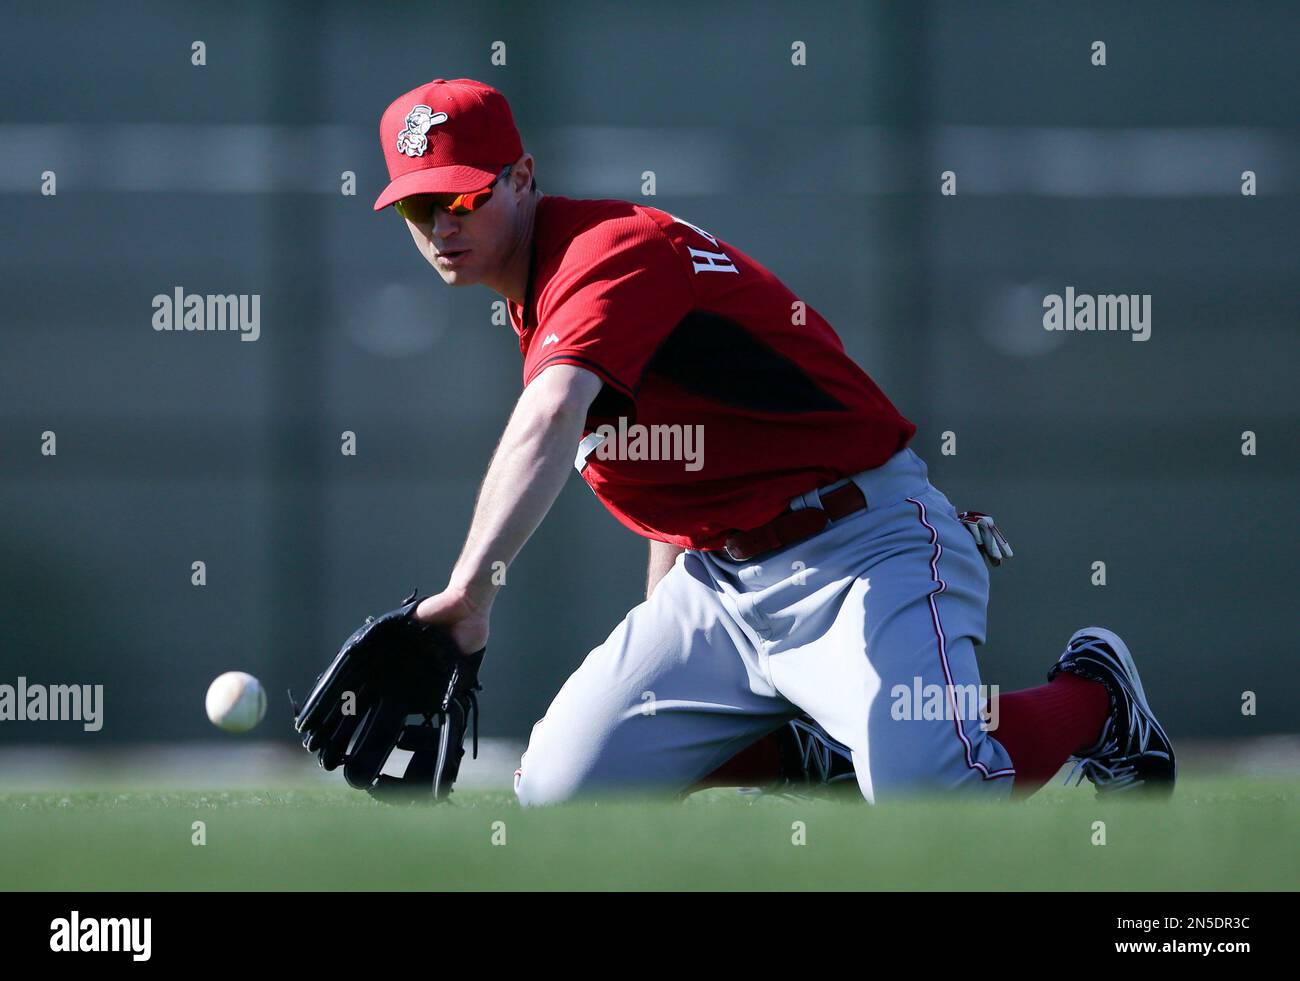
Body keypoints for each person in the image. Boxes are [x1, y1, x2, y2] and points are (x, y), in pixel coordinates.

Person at [372, 78, 1175, 804]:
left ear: (520, 177)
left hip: (863, 543)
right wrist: (668, 657)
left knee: (933, 790)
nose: (442, 224)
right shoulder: (539, 296)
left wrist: (471, 592)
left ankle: (1097, 699)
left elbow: (549, 419)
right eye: (418, 207)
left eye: (464, 199)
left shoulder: (603, 253)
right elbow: (683, 477)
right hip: (721, 582)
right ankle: (809, 743)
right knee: (560, 792)